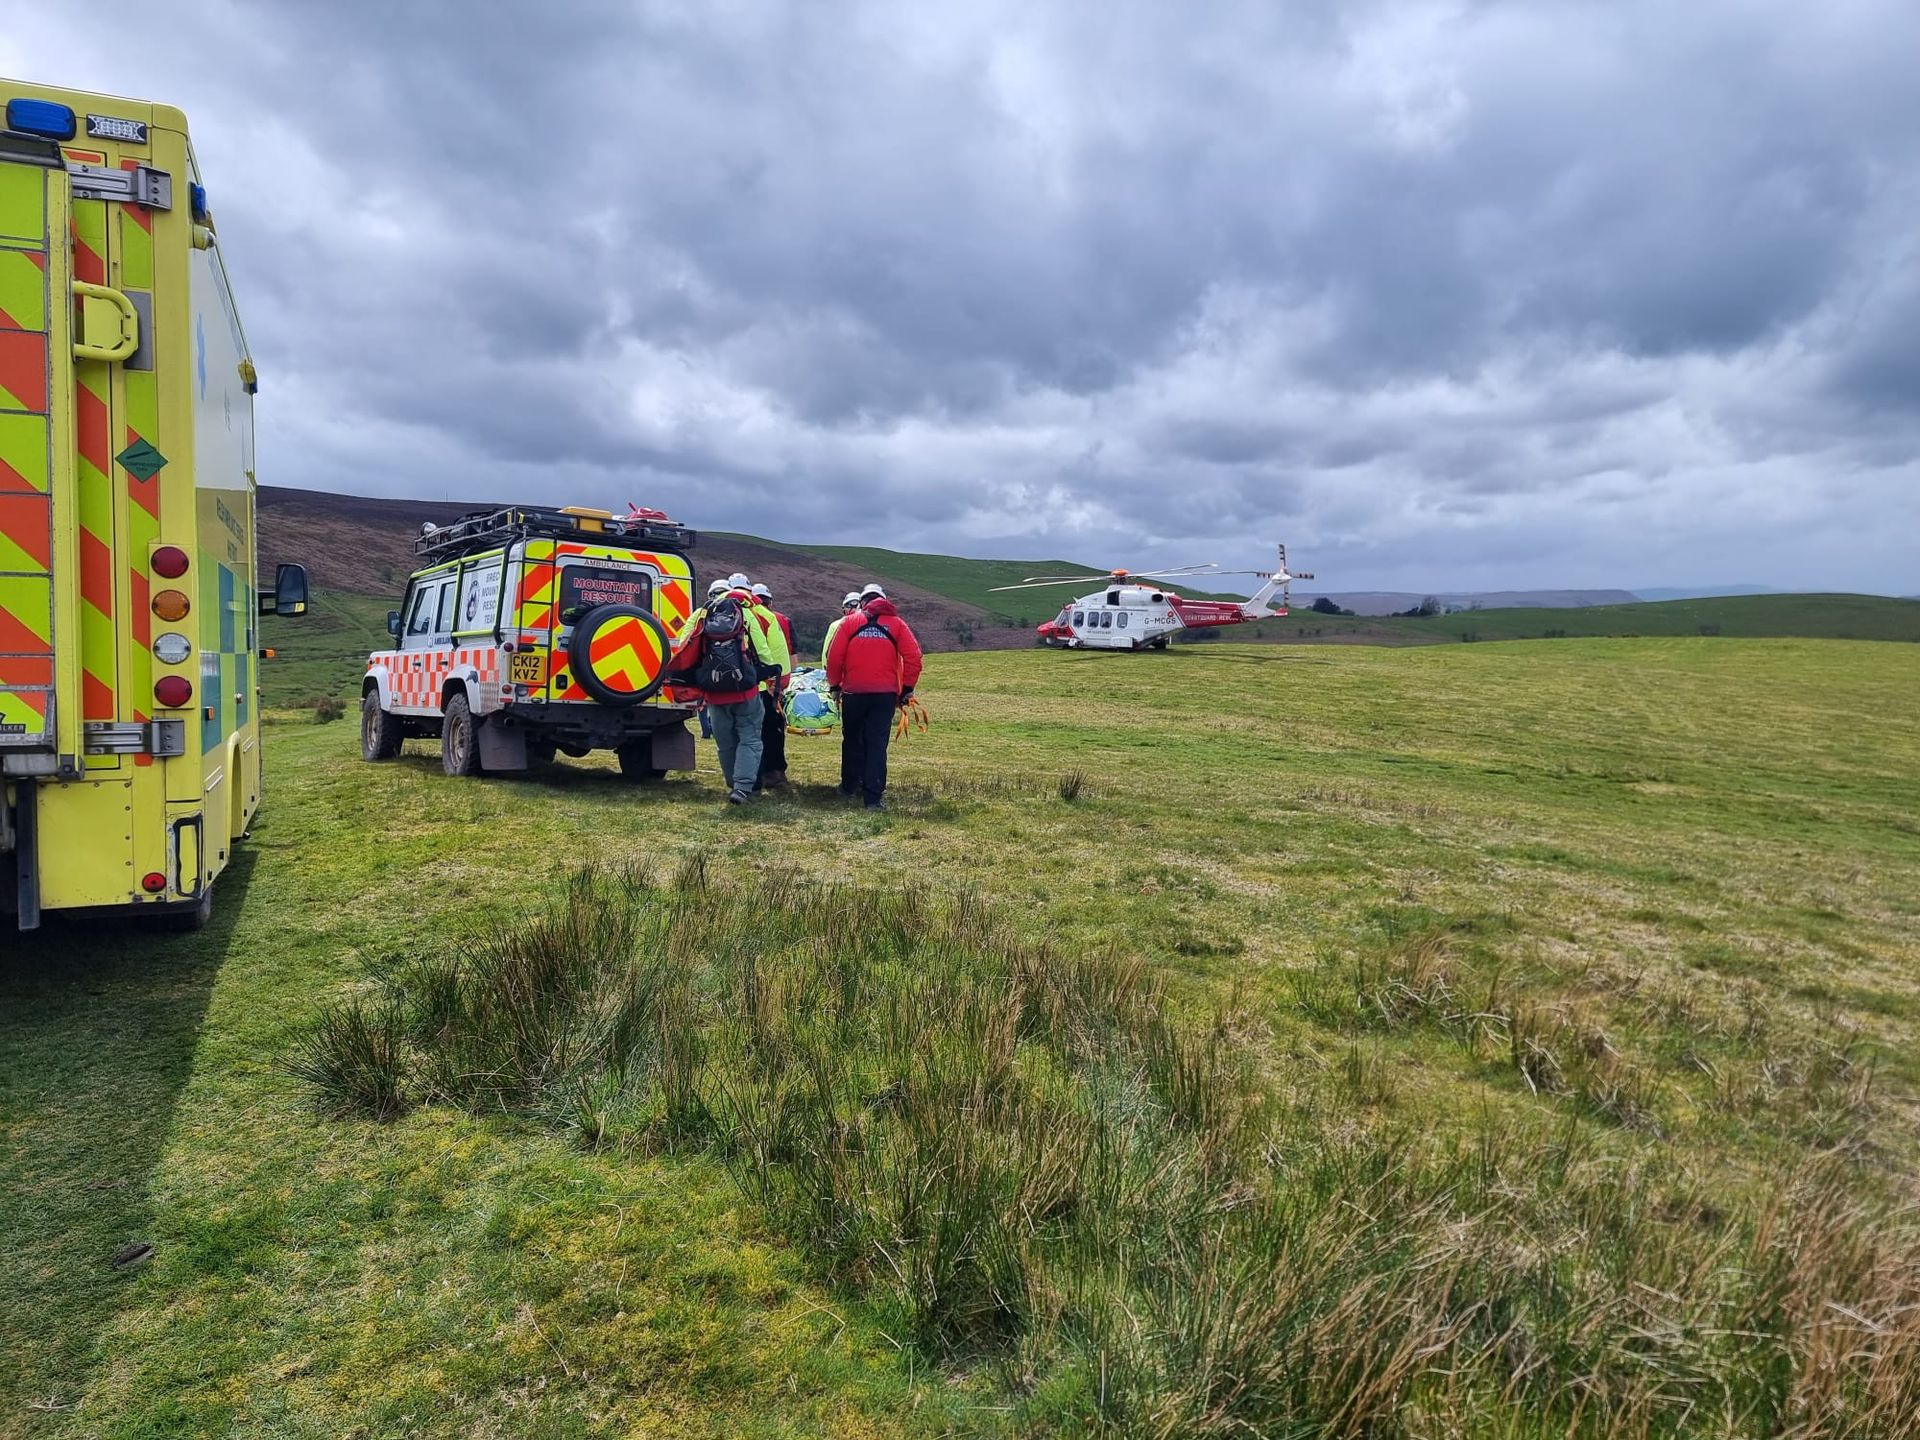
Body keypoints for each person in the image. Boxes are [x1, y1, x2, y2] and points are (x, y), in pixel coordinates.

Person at [669, 575, 785, 803]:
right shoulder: (745, 611)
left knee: (725, 742)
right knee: (750, 738)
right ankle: (743, 788)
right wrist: (768, 676)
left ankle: (733, 784)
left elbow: (683, 647)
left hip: (714, 691)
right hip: (745, 690)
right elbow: (761, 649)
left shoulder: (701, 614)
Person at [825, 583, 923, 810]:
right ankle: (873, 798)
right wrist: (907, 688)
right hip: (885, 695)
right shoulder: (897, 624)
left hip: (853, 693)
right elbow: (914, 658)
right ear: (883, 600)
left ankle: (849, 786)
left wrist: (834, 685)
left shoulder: (849, 622)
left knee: (851, 740)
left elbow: (835, 657)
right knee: (877, 744)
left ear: (862, 602)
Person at [749, 581, 795, 790]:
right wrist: (786, 682)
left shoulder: (743, 616)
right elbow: (790, 654)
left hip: (748, 685)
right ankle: (776, 773)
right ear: (770, 601)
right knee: (774, 730)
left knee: (750, 733)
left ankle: (753, 775)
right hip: (773, 686)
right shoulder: (780, 620)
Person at [821, 591, 861, 664]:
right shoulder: (835, 625)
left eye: (856, 605)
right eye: (850, 606)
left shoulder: (836, 625)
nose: (853, 609)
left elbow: (827, 651)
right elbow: (827, 650)